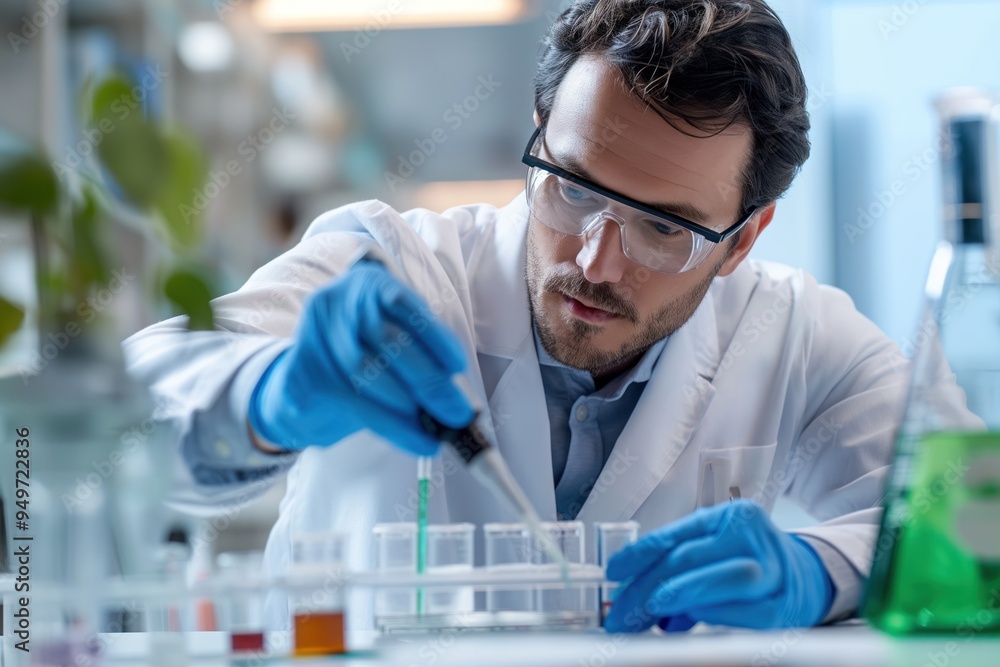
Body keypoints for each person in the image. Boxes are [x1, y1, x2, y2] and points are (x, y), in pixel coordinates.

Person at [124, 0, 931, 633]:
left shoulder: (795, 335)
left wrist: (821, 568)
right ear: (538, 136)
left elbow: (976, 517)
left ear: (742, 239)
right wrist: (270, 393)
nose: (594, 261)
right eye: (574, 188)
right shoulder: (392, 264)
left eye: (664, 228)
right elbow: (107, 425)